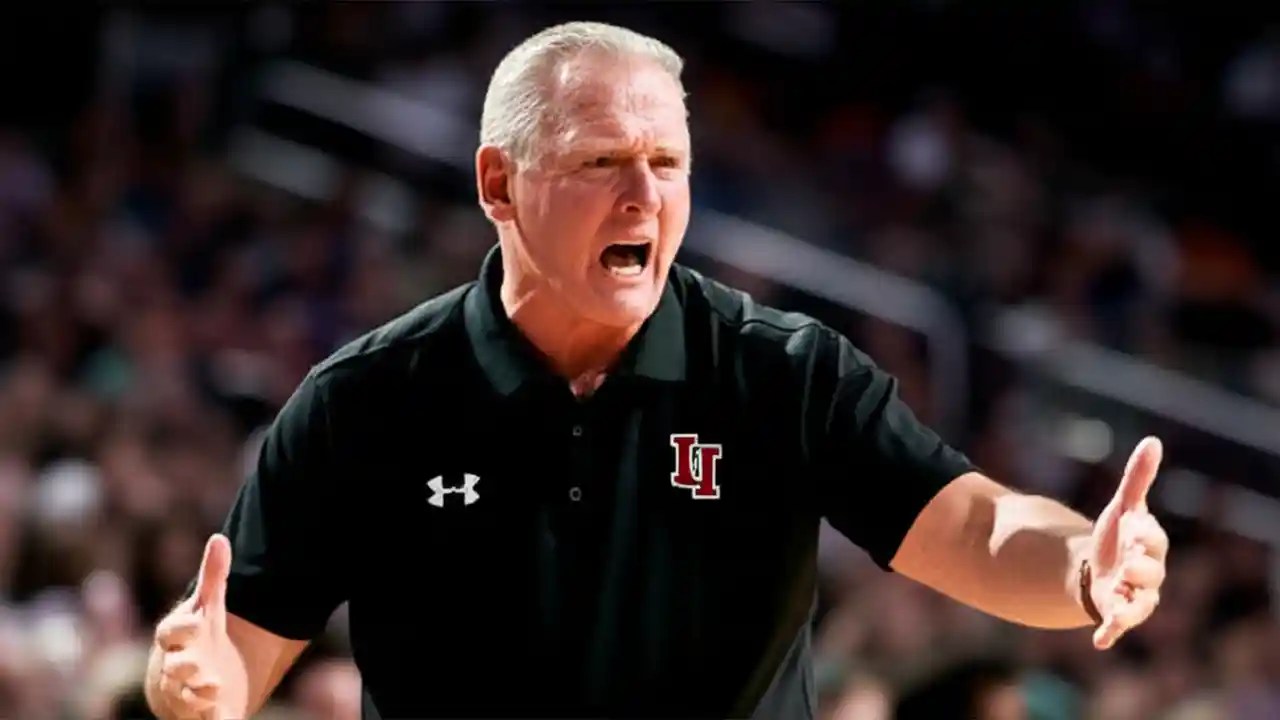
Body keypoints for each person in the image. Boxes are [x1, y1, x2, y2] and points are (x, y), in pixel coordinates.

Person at [144, 21, 1170, 720]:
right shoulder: (366, 402)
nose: (643, 196)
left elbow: (975, 527)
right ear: (498, 183)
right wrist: (190, 685)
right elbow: (234, 651)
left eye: (666, 162)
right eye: (599, 161)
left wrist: (1086, 565)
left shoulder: (782, 375)